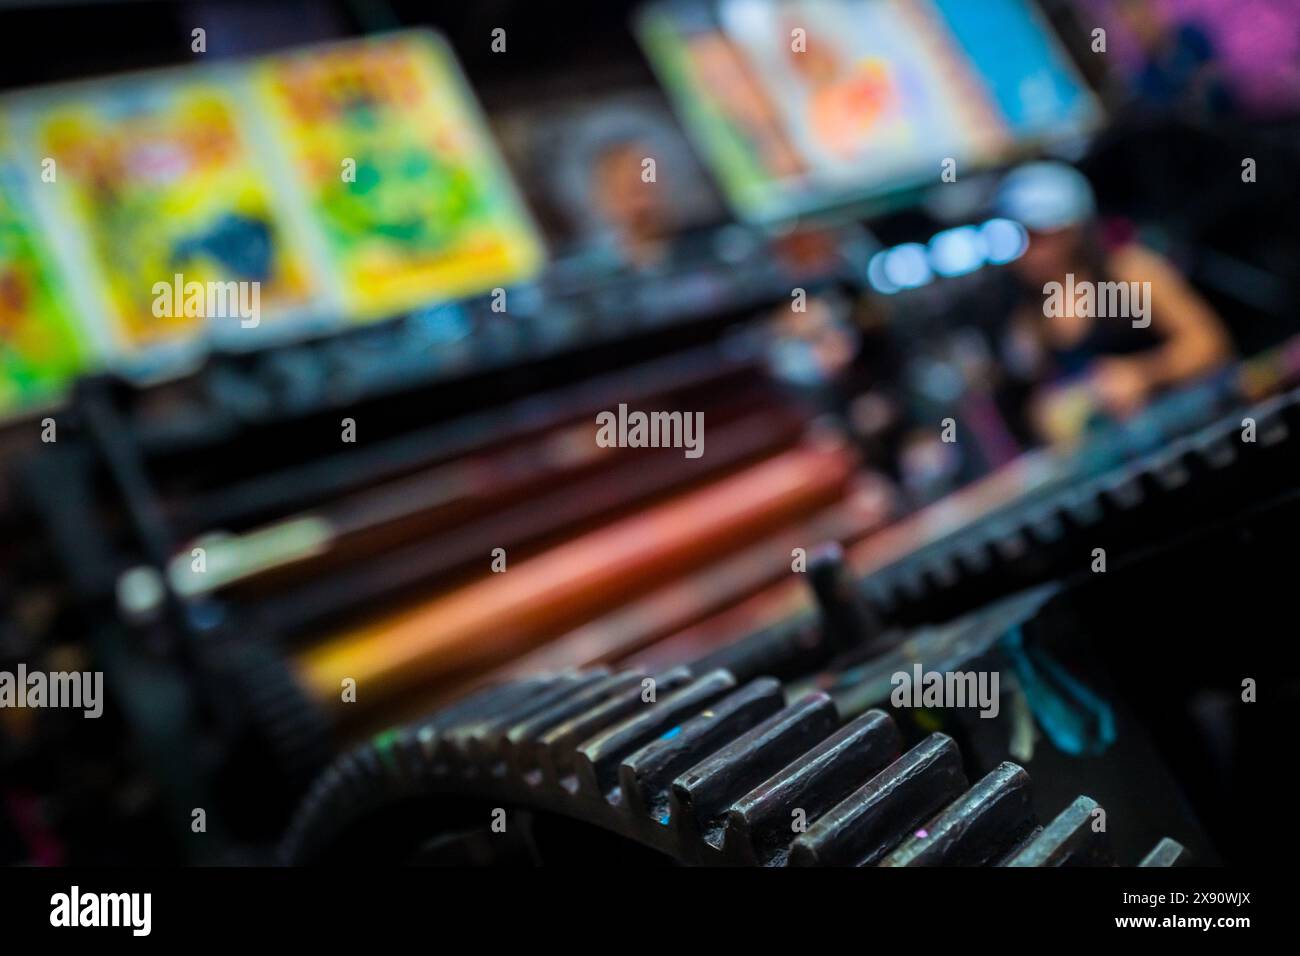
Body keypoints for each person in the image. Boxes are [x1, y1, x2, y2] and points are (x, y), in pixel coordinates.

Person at [995, 161, 1231, 442]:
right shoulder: (1030, 317)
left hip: (1198, 429)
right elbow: (1046, 402)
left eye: (1038, 237)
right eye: (1019, 239)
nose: (1027, 253)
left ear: (1074, 231)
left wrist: (1143, 374)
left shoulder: (1130, 271)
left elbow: (1211, 343)